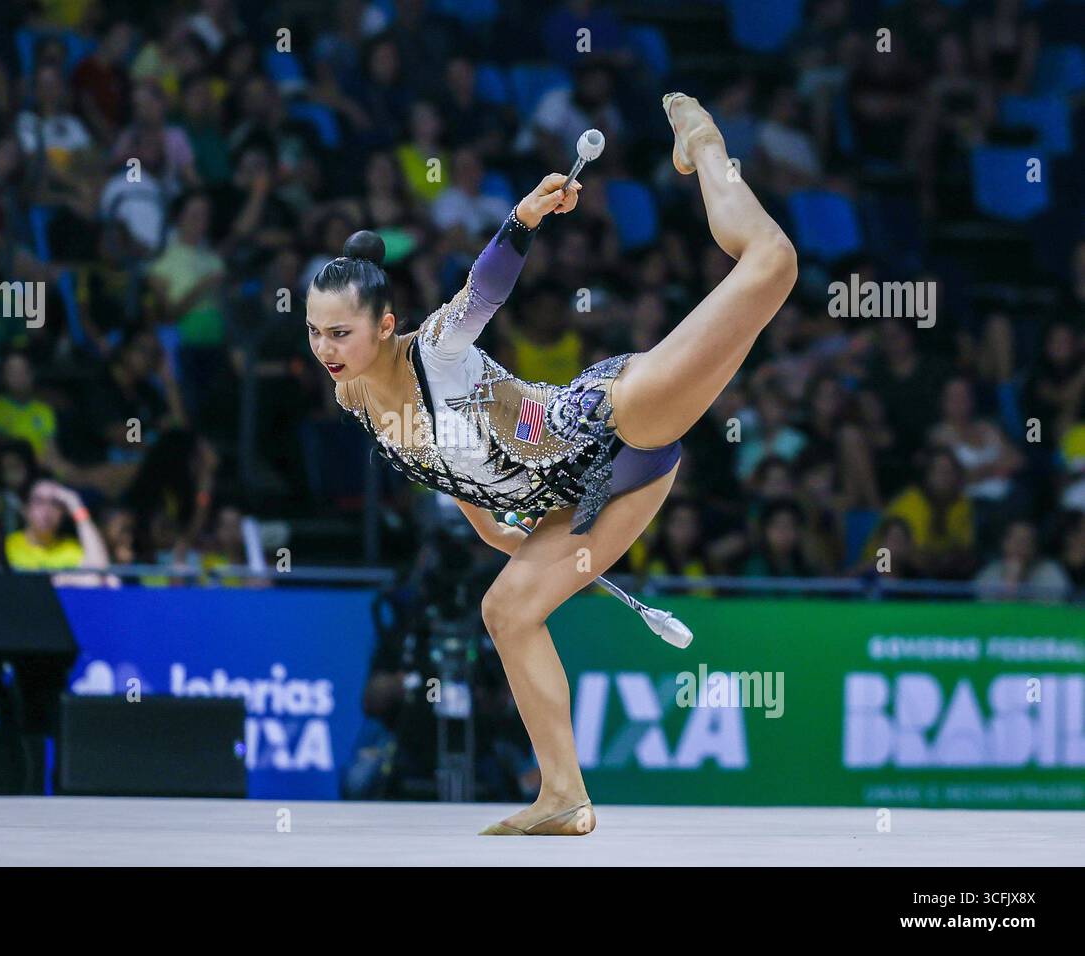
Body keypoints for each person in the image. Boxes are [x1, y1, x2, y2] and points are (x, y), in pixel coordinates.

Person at [311, 94, 798, 834]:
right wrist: (495, 528)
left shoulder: (435, 349)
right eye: (314, 331)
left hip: (612, 425)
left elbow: (485, 290)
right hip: (581, 500)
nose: (325, 348)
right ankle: (563, 796)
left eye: (339, 332)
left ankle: (703, 147)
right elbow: (449, 468)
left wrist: (524, 220)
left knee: (772, 265)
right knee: (506, 610)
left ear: (384, 325)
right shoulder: (354, 399)